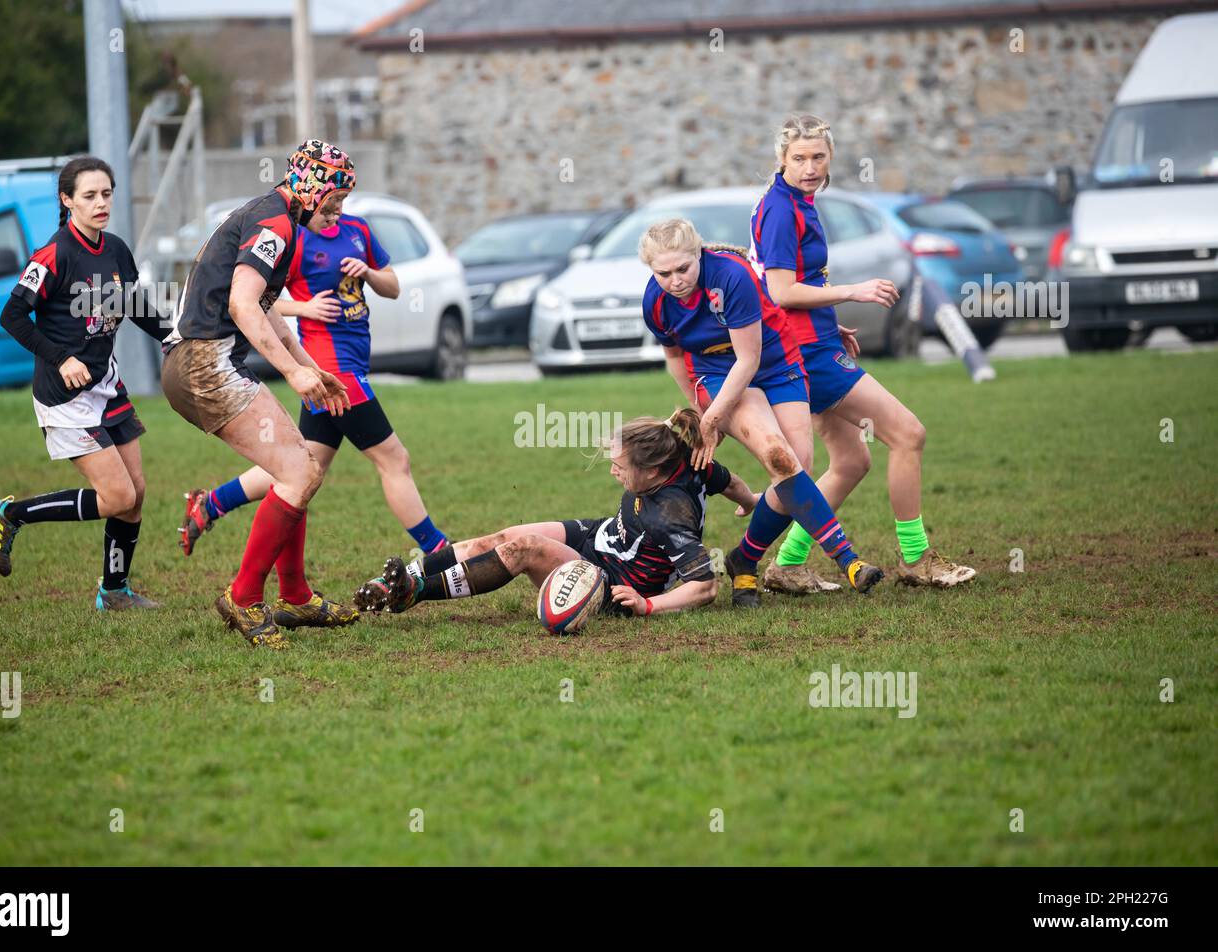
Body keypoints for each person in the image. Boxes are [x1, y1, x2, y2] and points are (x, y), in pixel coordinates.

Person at [749, 114, 975, 592]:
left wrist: (832, 320)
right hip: (806, 354)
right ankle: (916, 558)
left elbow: (800, 287)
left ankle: (787, 564)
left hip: (813, 342)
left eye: (818, 157)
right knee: (908, 435)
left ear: (830, 158)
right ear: (781, 159)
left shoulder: (796, 201)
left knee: (852, 461)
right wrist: (854, 291)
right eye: (799, 158)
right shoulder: (781, 210)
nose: (810, 166)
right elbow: (783, 291)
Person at [159, 139, 359, 649]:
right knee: (298, 469)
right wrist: (292, 376)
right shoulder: (274, 224)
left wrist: (311, 368)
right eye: (335, 195)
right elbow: (244, 306)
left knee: (300, 465)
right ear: (312, 186)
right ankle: (244, 598)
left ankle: (295, 595)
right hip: (204, 363)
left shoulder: (278, 221)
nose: (339, 208)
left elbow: (267, 311)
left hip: (205, 360)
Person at [178, 208, 450, 561]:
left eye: (341, 200)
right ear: (312, 198)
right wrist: (303, 308)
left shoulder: (358, 229)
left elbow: (394, 287)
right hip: (331, 371)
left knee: (303, 465)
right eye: (329, 202)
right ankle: (437, 548)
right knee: (394, 459)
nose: (335, 209)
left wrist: (368, 271)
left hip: (351, 364)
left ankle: (210, 504)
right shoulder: (297, 240)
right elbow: (257, 299)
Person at [639, 218, 884, 608]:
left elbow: (748, 359)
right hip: (717, 373)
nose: (675, 280)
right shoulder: (655, 300)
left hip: (772, 362)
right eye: (663, 273)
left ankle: (744, 560)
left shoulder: (730, 277)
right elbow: (674, 356)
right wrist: (704, 407)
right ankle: (847, 558)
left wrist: (711, 420)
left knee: (796, 466)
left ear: (698, 254)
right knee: (778, 456)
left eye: (683, 268)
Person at [0, 156, 167, 610]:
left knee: (135, 494)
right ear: (67, 200)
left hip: (106, 386)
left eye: (106, 194)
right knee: (116, 495)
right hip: (64, 397)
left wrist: (171, 336)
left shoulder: (117, 249)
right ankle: (7, 514)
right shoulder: (55, 253)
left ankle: (114, 592)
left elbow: (135, 304)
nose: (101, 203)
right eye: (89, 196)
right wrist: (61, 359)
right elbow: (12, 315)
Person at [354, 409, 759, 619]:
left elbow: (705, 587)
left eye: (620, 467)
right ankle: (400, 578)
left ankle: (415, 591)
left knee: (523, 549)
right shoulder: (689, 457)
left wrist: (647, 605)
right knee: (504, 535)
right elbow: (730, 481)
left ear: (652, 472)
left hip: (610, 581)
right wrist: (751, 503)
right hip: (601, 538)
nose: (612, 470)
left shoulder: (669, 515)